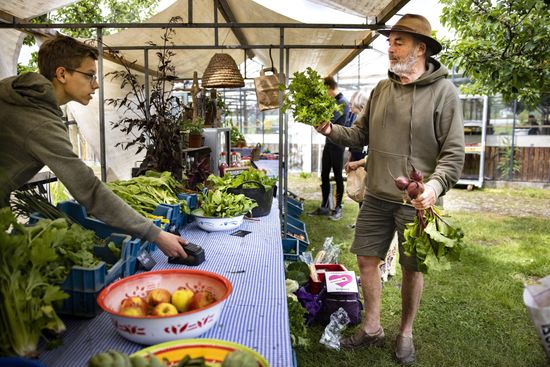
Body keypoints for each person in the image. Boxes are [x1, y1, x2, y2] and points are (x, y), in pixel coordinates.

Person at [316, 14, 465, 365]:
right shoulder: (381, 89)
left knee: (413, 268)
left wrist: (434, 185)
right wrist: (330, 131)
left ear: (421, 48)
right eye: (390, 40)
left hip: (417, 202)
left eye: (398, 41)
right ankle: (371, 327)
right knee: (366, 259)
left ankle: (406, 332)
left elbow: (454, 154)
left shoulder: (444, 92)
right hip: (377, 195)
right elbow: (359, 135)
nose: (390, 46)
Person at [0, 35, 188, 259]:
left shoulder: (19, 96)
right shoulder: (40, 121)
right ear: (62, 74)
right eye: (89, 75)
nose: (96, 84)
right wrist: (155, 234)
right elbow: (88, 190)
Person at [309, 76, 349, 221]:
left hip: (338, 145)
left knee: (338, 176)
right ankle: (324, 207)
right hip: (329, 143)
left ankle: (338, 208)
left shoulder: (342, 102)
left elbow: (328, 121)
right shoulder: (332, 102)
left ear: (329, 88)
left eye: (324, 90)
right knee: (324, 174)